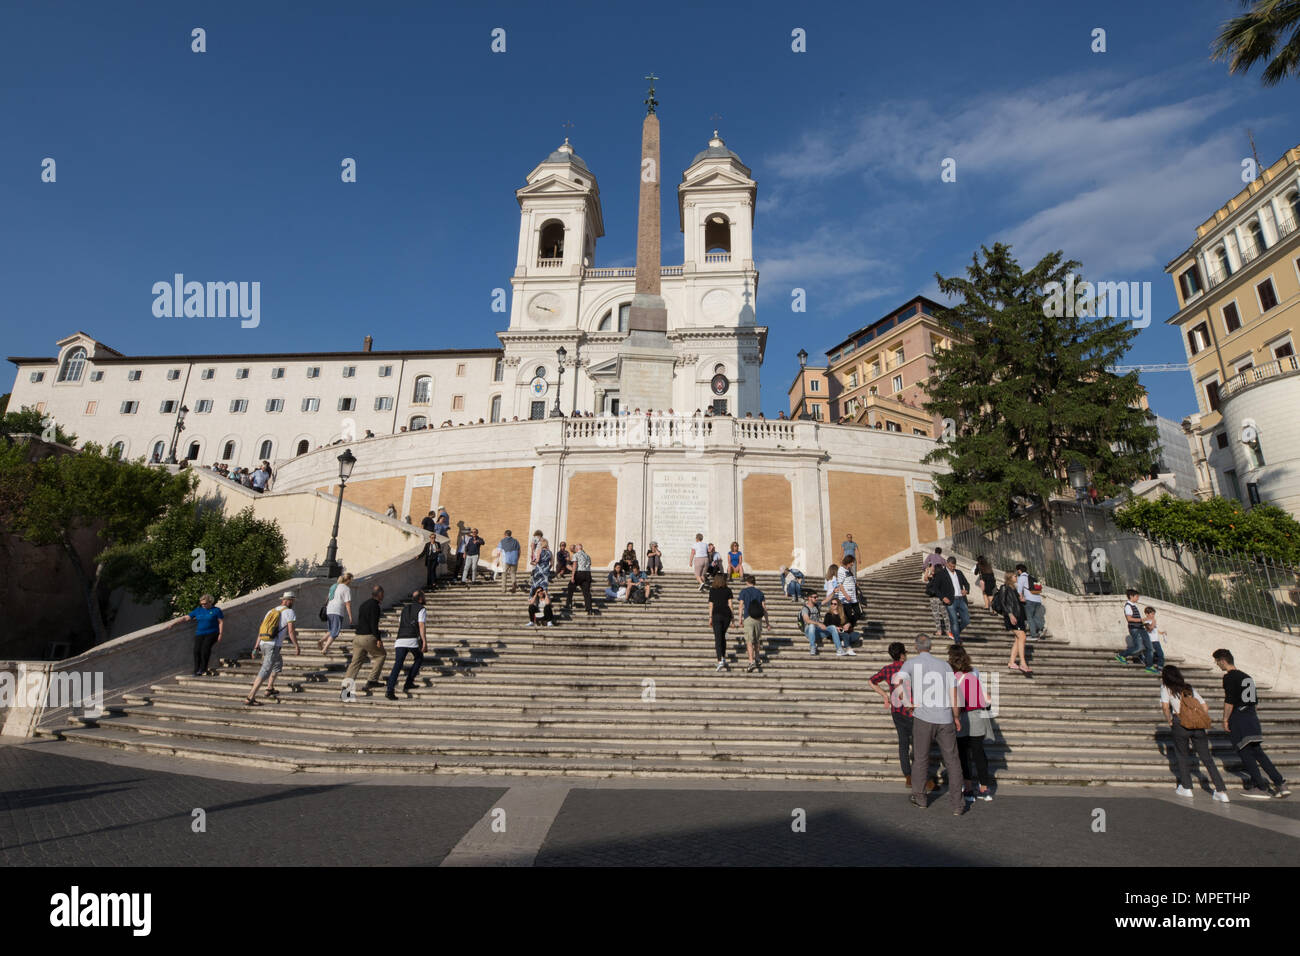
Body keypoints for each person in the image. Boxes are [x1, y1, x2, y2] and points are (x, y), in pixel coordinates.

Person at [900, 634, 966, 814]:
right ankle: (957, 805)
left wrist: (908, 704)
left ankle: (920, 798)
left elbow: (898, 683)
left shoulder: (911, 664)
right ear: (931, 646)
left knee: (921, 759)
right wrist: (956, 716)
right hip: (945, 716)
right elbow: (954, 693)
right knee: (953, 761)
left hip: (923, 716)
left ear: (915, 647)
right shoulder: (944, 665)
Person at [1213, 649, 1290, 798]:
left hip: (1239, 718)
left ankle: (1260, 787)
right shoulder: (1247, 677)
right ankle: (1281, 784)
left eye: (1217, 662)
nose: (1217, 665)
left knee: (1245, 753)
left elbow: (1229, 701)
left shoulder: (1229, 677)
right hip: (1252, 717)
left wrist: (1225, 719)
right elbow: (1255, 702)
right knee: (1258, 753)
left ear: (1223, 660)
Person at [1160, 664, 1230, 802]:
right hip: (1197, 726)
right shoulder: (1189, 687)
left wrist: (1169, 720)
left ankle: (1187, 788)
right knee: (1207, 759)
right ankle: (1221, 791)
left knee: (1182, 756)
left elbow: (1165, 706)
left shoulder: (1166, 688)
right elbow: (1205, 706)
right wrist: (1195, 719)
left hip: (1180, 724)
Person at [870, 642, 932, 790]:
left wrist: (885, 695)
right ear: (903, 654)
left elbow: (872, 681)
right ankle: (922, 777)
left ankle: (908, 776)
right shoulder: (911, 667)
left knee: (903, 743)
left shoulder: (887, 669)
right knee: (919, 744)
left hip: (897, 711)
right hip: (912, 711)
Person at [949, 644, 993, 802]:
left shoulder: (950, 674)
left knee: (962, 754)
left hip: (960, 715)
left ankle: (968, 788)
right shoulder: (974, 671)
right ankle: (984, 788)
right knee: (978, 752)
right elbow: (984, 695)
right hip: (976, 714)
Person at [246, 592, 300, 705]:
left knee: (277, 663)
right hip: (273, 645)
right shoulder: (289, 612)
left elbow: (261, 630)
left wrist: (256, 647)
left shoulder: (271, 611)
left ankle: (269, 687)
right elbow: (291, 631)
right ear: (288, 600)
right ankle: (250, 697)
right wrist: (296, 646)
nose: (293, 602)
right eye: (292, 600)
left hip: (263, 643)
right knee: (265, 670)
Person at [343, 585, 388, 698]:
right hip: (368, 636)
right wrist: (378, 638)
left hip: (357, 637)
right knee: (381, 655)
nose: (383, 596)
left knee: (355, 663)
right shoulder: (375, 606)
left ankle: (346, 691)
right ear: (379, 594)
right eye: (382, 594)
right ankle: (372, 680)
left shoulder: (364, 604)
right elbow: (374, 624)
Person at [385, 590, 427, 700]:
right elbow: (421, 625)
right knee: (419, 658)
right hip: (412, 639)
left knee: (397, 664)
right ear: (420, 599)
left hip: (400, 639)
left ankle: (390, 689)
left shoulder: (404, 609)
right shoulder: (421, 609)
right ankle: (409, 681)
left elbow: (401, 622)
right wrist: (424, 641)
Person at [994, 571, 1031, 674]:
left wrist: (1022, 600)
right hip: (1012, 616)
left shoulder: (1014, 589)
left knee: (1017, 639)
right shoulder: (1004, 587)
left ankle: (1011, 662)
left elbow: (1015, 603)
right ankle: (1023, 663)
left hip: (1019, 616)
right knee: (1022, 637)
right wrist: (1010, 614)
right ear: (1010, 577)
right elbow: (1003, 602)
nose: (1017, 577)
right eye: (1015, 576)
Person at [179, 593, 223, 676]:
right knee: (196, 651)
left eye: (205, 604)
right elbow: (187, 617)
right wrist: (175, 623)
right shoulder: (198, 610)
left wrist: (220, 634)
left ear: (210, 602)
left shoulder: (216, 610)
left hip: (212, 633)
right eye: (202, 604)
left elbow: (220, 622)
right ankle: (196, 669)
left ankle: (203, 669)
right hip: (200, 633)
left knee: (205, 649)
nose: (203, 605)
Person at [736, 574, 769, 673]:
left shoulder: (744, 592)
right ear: (754, 582)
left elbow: (741, 606)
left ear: (747, 582)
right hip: (758, 618)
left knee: (749, 640)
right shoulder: (760, 593)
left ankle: (751, 661)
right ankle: (757, 657)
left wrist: (740, 619)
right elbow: (764, 608)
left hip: (748, 617)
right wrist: (767, 622)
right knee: (757, 639)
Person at [935, 556, 971, 643]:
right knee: (954, 621)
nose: (952, 568)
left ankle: (954, 632)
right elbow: (935, 588)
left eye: (954, 566)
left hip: (961, 599)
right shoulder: (941, 574)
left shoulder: (959, 572)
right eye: (950, 566)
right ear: (947, 564)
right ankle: (957, 640)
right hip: (950, 601)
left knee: (966, 620)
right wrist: (943, 597)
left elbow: (966, 583)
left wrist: (966, 590)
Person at [1114, 589, 1152, 668]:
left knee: (1149, 647)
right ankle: (1121, 655)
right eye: (1137, 596)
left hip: (1140, 628)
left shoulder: (1134, 606)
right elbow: (1129, 619)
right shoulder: (1128, 606)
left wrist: (1144, 623)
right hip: (1135, 629)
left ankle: (1149, 666)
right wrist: (1142, 620)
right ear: (1131, 596)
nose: (1138, 598)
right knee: (1139, 647)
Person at [321, 572, 354, 655]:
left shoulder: (334, 586)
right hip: (337, 611)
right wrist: (350, 616)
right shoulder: (346, 588)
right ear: (349, 580)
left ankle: (321, 641)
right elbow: (347, 604)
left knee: (331, 630)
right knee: (335, 632)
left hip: (329, 610)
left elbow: (327, 598)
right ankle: (325, 648)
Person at [707, 573, 734, 671]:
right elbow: (730, 605)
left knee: (718, 638)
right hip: (726, 615)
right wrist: (733, 618)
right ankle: (723, 657)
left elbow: (711, 605)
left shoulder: (712, 590)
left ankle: (720, 660)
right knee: (722, 636)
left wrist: (710, 617)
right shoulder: (728, 590)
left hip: (716, 614)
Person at [1015, 563, 1046, 641]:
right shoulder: (1032, 577)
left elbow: (1019, 591)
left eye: (1017, 571)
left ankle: (1034, 635)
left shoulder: (1022, 577)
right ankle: (1042, 628)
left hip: (1030, 600)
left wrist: (1020, 598)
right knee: (1035, 616)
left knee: (1029, 618)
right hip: (1038, 600)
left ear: (1019, 570)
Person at [836, 554, 862, 638]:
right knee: (848, 616)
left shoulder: (849, 570)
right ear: (848, 562)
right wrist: (846, 595)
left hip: (853, 597)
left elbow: (851, 580)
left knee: (858, 613)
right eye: (852, 562)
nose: (852, 564)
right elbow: (840, 584)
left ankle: (848, 627)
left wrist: (856, 584)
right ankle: (845, 633)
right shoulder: (841, 570)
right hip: (845, 598)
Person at [564, 543, 594, 615]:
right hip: (587, 574)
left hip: (579, 573)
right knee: (586, 592)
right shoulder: (587, 556)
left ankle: (569, 603)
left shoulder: (576, 555)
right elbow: (589, 565)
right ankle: (589, 609)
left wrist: (572, 576)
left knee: (570, 586)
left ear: (577, 549)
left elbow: (575, 565)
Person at [922, 563, 950, 638]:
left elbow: (925, 579)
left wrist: (928, 571)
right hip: (942, 598)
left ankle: (939, 631)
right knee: (945, 615)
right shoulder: (944, 577)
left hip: (934, 598)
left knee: (936, 614)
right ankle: (948, 631)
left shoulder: (934, 577)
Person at [1142, 606, 1167, 673]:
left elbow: (1155, 629)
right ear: (1147, 614)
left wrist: (1162, 633)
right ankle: (1144, 659)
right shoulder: (1145, 621)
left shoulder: (1153, 621)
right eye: (1152, 614)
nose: (1153, 616)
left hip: (1156, 641)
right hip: (1150, 641)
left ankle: (1160, 667)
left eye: (1154, 614)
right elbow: (1150, 629)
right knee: (1152, 654)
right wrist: (1153, 623)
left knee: (1160, 654)